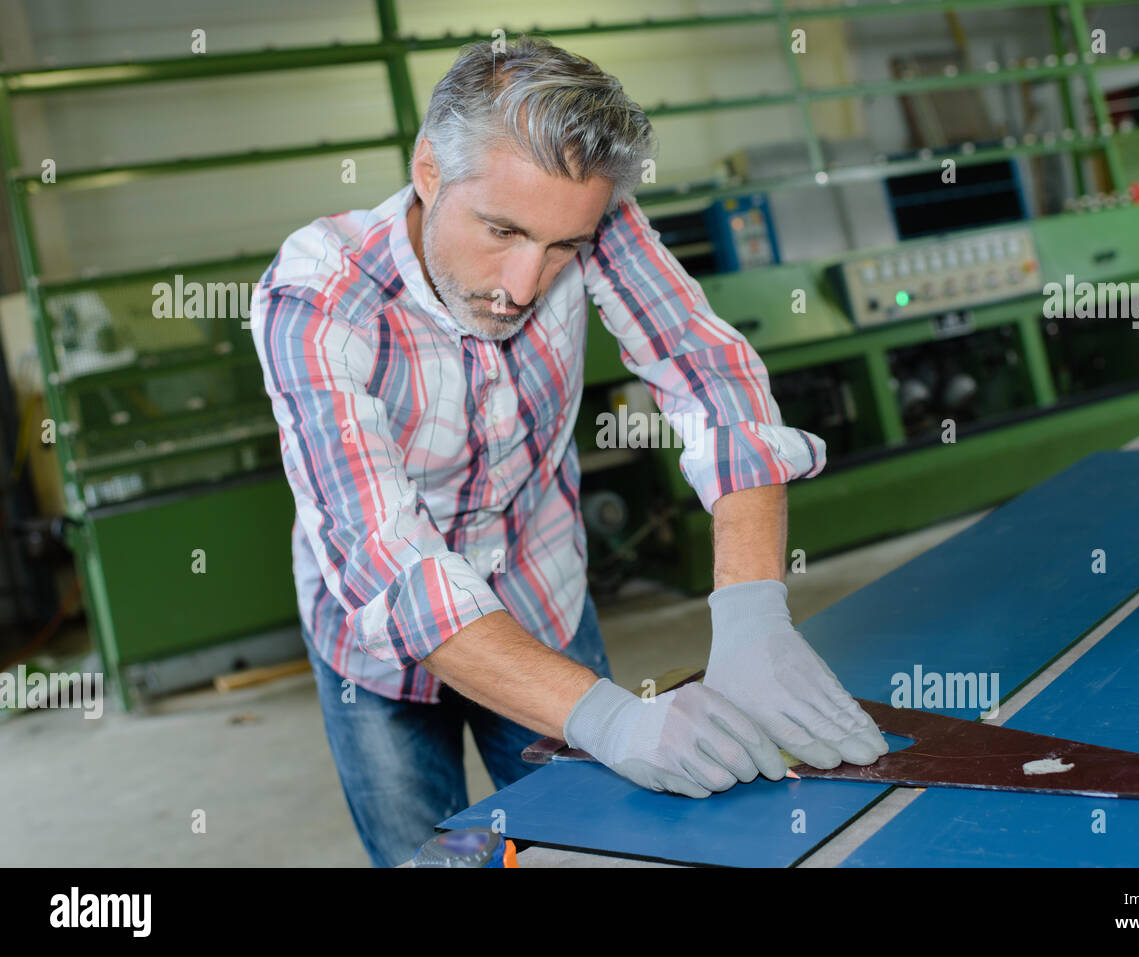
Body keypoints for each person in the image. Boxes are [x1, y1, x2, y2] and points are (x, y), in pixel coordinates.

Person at [251, 35, 887, 868]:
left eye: (559, 249)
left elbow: (707, 372)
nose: (521, 285)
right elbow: (395, 571)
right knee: (425, 856)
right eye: (502, 230)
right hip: (370, 657)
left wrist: (751, 609)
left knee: (598, 845)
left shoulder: (591, 212)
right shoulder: (317, 297)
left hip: (541, 597)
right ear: (429, 169)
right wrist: (615, 719)